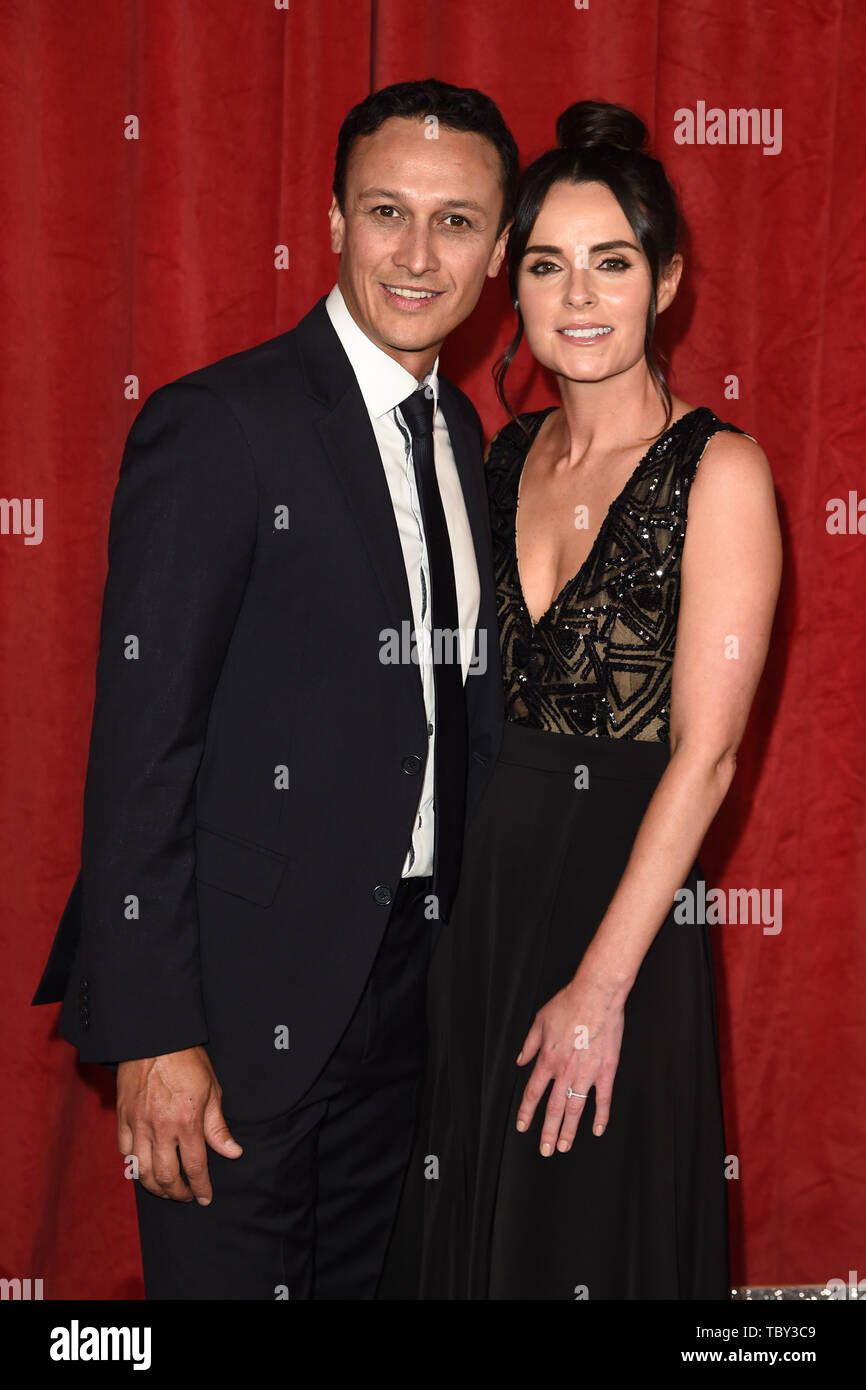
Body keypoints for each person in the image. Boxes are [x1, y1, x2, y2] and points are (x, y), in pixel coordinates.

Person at [31, 77, 518, 1300]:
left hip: (408, 1001)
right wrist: (151, 1030)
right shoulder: (220, 424)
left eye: (455, 222)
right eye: (386, 212)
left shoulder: (461, 434)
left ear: (500, 248)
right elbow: (143, 742)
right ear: (335, 220)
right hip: (235, 1006)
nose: (416, 254)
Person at [381, 99, 782, 1300]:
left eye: (610, 262)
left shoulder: (720, 469)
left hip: (623, 907)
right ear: (512, 284)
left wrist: (600, 987)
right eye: (546, 264)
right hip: (485, 899)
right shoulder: (499, 458)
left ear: (665, 281)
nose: (577, 295)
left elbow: (705, 760)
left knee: (584, 1230)